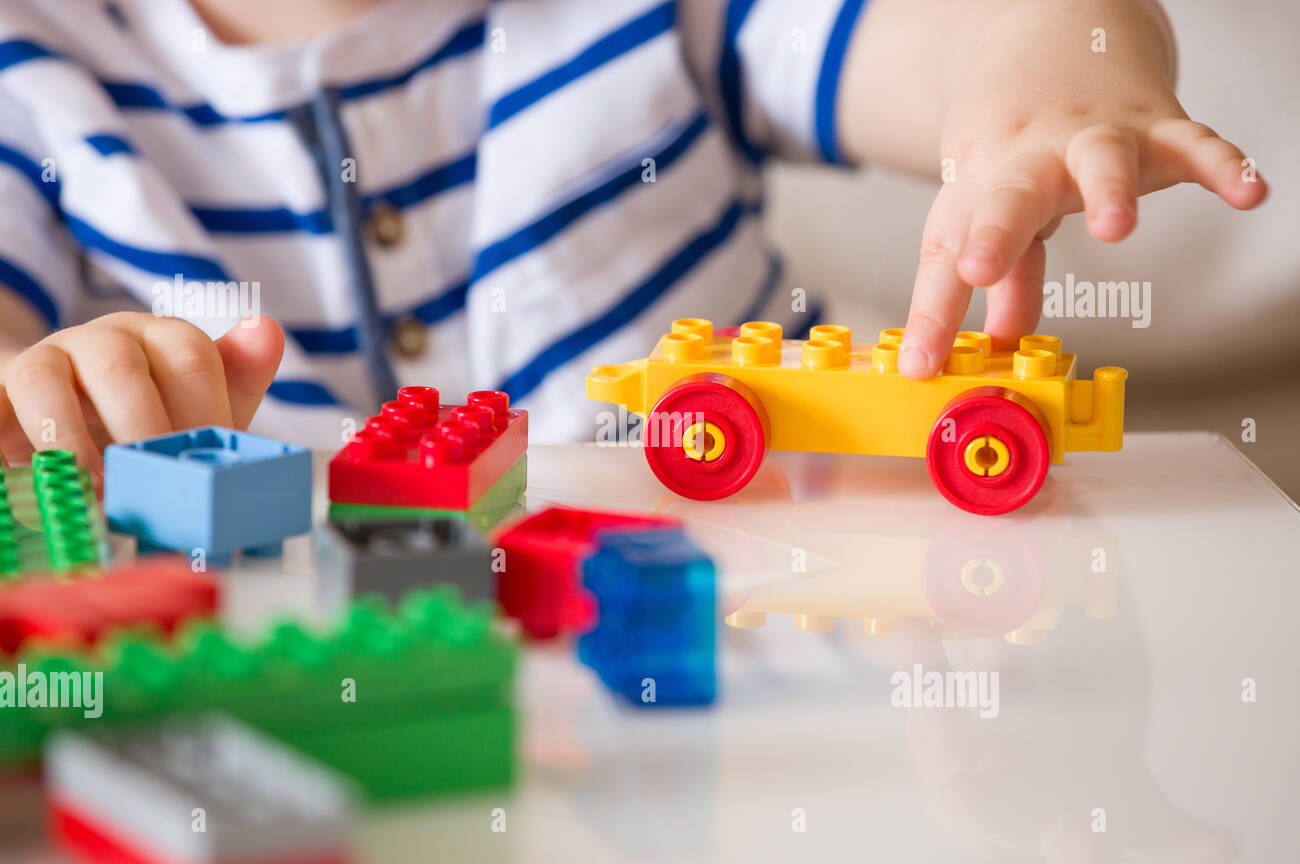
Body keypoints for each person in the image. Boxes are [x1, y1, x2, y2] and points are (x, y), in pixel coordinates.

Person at [0, 0, 1267, 474]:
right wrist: (54, 382)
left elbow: (965, 25)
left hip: (783, 615)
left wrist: (1048, 73)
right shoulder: (41, 72)